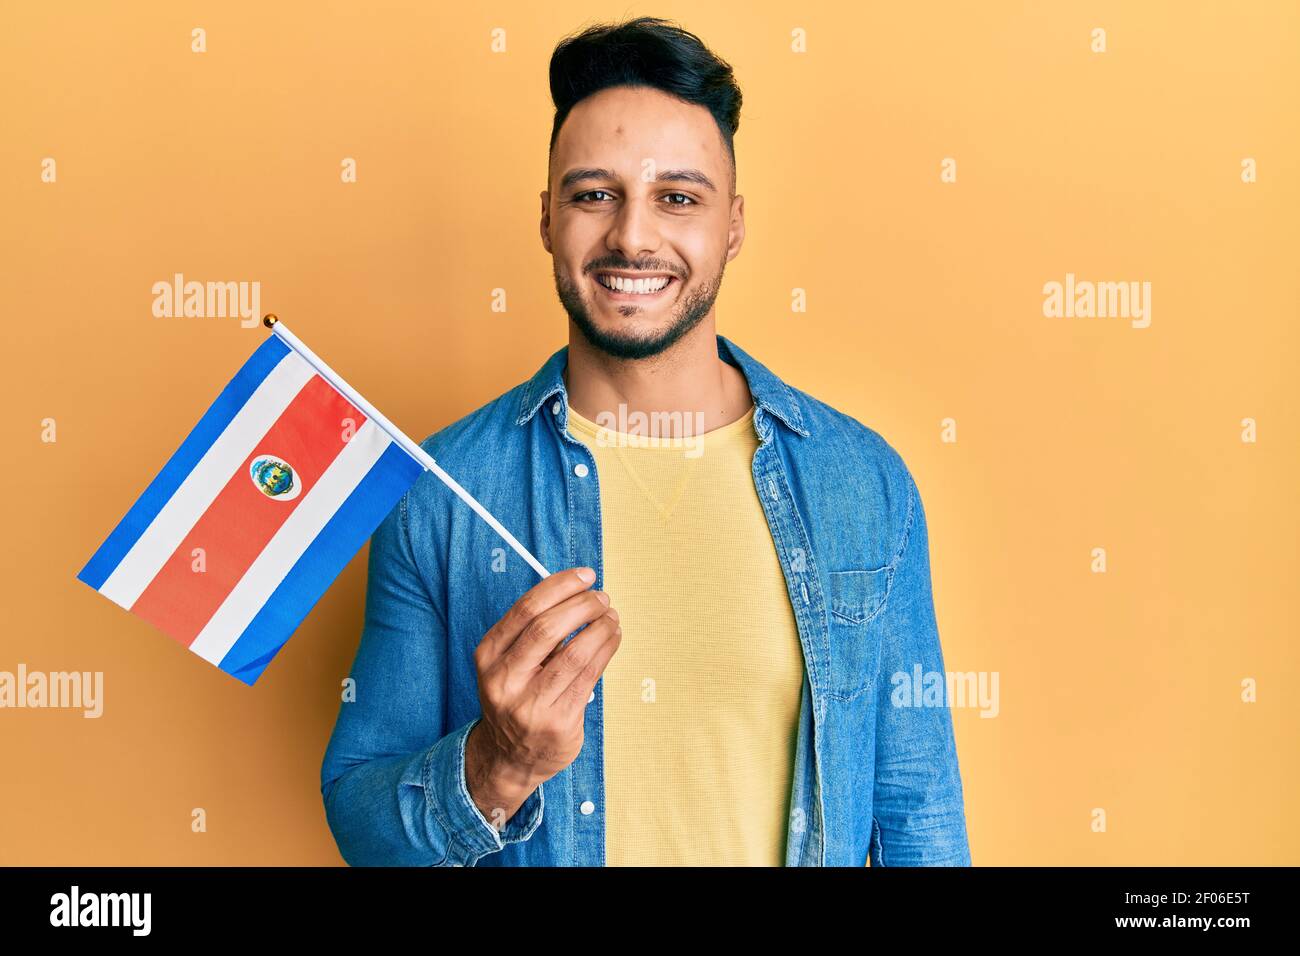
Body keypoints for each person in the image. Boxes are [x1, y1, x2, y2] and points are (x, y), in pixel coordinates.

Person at [320, 15, 971, 867]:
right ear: (547, 219)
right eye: (594, 194)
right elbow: (361, 821)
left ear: (732, 225)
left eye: (678, 198)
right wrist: (495, 766)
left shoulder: (860, 481)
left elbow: (919, 813)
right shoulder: (442, 492)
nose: (632, 236)